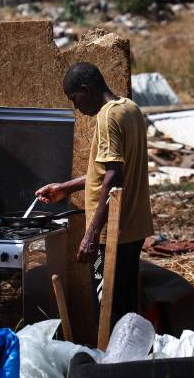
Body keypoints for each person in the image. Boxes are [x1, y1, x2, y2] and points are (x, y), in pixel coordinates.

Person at [35, 62, 153, 329]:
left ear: (86, 89)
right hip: (132, 230)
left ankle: (110, 367)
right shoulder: (130, 109)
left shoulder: (107, 117)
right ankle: (126, 362)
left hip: (112, 236)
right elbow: (108, 171)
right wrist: (65, 188)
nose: (76, 106)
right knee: (124, 308)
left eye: (74, 98)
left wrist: (91, 234)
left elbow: (113, 177)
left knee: (107, 310)